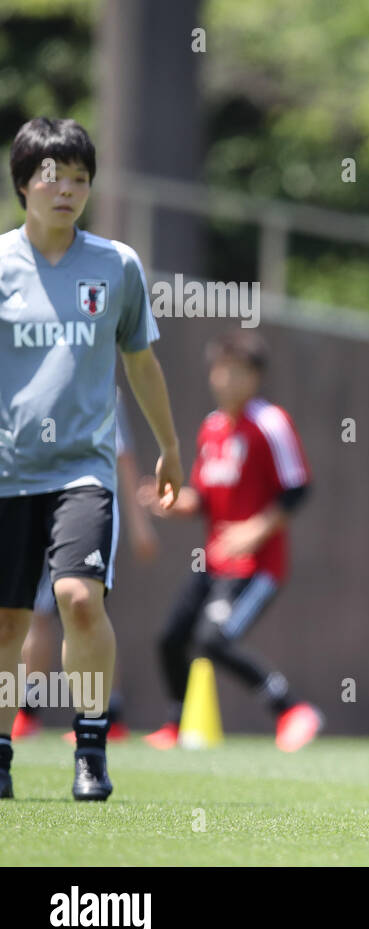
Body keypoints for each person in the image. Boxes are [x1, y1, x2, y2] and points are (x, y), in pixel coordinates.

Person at [0, 117, 185, 801]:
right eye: (54, 177)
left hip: (83, 470)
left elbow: (141, 363)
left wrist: (170, 447)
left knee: (79, 599)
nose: (68, 190)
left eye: (80, 179)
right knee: (8, 622)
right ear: (24, 183)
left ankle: (90, 747)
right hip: (6, 472)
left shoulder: (117, 265)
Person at [139, 331, 322, 752]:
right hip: (213, 563)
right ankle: (176, 722)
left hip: (258, 568)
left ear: (256, 378)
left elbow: (297, 488)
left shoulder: (270, 423)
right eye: (221, 370)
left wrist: (254, 530)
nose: (226, 380)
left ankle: (292, 710)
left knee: (212, 640)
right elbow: (204, 498)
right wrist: (172, 503)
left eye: (238, 372)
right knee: (171, 636)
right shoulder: (213, 428)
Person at [9, 389, 159, 742]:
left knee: (85, 607)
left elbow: (123, 455)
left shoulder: (102, 384)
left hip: (84, 507)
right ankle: (26, 712)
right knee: (32, 613)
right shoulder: (26, 375)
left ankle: (104, 715)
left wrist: (139, 525)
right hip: (33, 502)